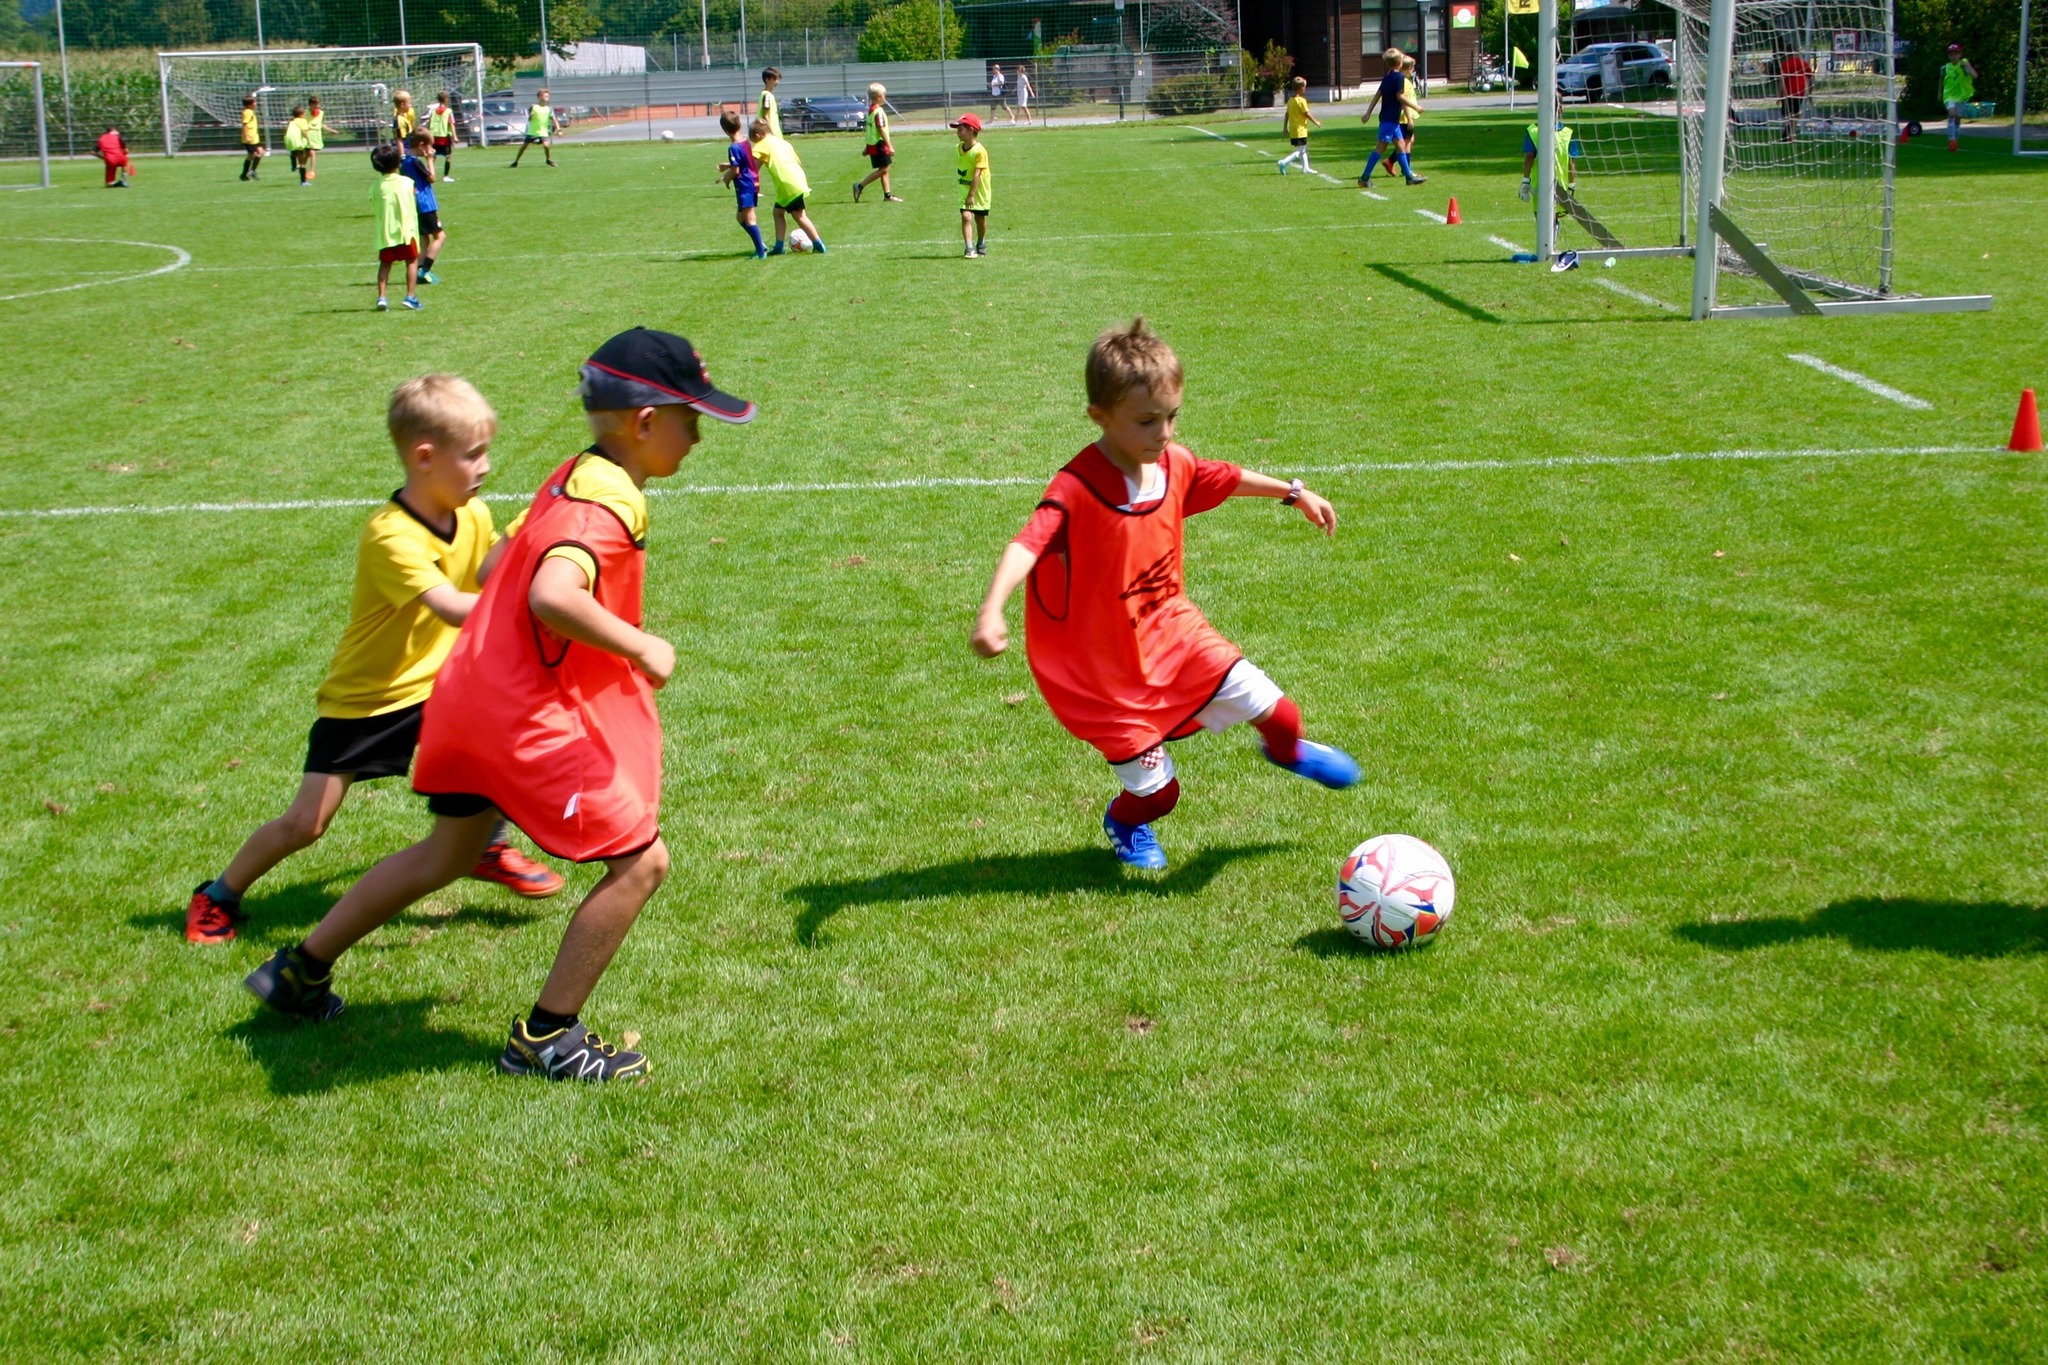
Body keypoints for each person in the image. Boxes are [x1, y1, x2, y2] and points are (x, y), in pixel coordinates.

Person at [244, 328, 758, 1085]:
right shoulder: (602, 504)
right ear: (645, 423)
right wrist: (642, 646)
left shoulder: (574, 474)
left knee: (447, 853)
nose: (700, 435)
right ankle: (547, 1038)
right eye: (692, 419)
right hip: (520, 714)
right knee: (643, 863)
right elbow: (553, 593)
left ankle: (300, 969)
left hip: (468, 693)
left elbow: (505, 564)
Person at [184, 375, 566, 945]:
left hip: (440, 685)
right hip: (369, 699)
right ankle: (217, 896)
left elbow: (487, 574)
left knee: (499, 753)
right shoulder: (390, 536)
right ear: (425, 457)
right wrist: (532, 602)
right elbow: (452, 606)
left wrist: (526, 530)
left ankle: (480, 846)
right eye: (474, 454)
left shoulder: (476, 514)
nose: (486, 466)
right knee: (306, 823)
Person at [970, 318, 1359, 872]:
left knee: (1282, 714)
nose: (1164, 433)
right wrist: (991, 612)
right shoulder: (1077, 489)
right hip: (1103, 675)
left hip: (1175, 637)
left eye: (1173, 416)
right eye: (1147, 420)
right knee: (1160, 794)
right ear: (1098, 418)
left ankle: (1288, 752)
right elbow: (1026, 545)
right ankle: (1125, 822)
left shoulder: (1171, 465)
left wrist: (1294, 492)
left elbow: (1223, 476)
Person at [750, 117, 827, 254]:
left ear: (757, 136)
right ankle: (779, 247)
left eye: (754, 141)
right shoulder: (782, 142)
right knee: (778, 213)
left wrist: (732, 168)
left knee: (799, 215)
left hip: (787, 183)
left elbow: (750, 163)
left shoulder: (763, 144)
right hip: (795, 179)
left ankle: (818, 244)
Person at [1358, 51, 1424, 187]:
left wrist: (1368, 113)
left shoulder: (1387, 77)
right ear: (1400, 63)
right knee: (1380, 149)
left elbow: (1378, 95)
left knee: (1400, 146)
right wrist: (1416, 107)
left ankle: (1409, 177)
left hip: (1391, 120)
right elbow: (1400, 97)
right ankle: (1364, 178)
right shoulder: (1398, 77)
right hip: (1390, 120)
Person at [373, 142, 423, 311]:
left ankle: (382, 297)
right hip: (406, 231)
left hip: (386, 232)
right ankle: (410, 296)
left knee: (385, 264)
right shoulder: (407, 182)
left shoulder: (376, 186)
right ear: (397, 163)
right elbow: (415, 198)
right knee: (411, 261)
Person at [717, 109, 768, 257]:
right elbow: (746, 162)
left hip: (745, 185)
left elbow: (736, 170)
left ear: (725, 130)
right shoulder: (745, 141)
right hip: (752, 181)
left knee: (749, 218)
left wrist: (726, 178)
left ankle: (760, 251)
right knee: (740, 217)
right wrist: (727, 167)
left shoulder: (734, 147)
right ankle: (761, 244)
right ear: (739, 124)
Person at [402, 132, 447, 284]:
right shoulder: (415, 162)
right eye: (429, 146)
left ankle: (419, 269)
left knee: (424, 238)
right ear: (421, 145)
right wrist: (430, 160)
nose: (431, 149)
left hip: (413, 203)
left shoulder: (404, 161)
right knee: (440, 237)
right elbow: (432, 178)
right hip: (425, 204)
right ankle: (425, 270)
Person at [853, 82, 902, 203]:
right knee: (884, 169)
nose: (885, 98)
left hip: (873, 144)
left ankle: (887, 195)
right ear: (879, 96)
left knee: (883, 168)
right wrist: (889, 145)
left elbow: (870, 130)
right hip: (880, 144)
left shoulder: (870, 111)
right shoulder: (878, 112)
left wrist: (867, 147)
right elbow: (880, 129)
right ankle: (860, 186)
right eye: (884, 95)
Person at [953, 112, 992, 258]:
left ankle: (981, 242)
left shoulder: (980, 151)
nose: (958, 133)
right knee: (966, 216)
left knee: (979, 219)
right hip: (964, 188)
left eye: (960, 129)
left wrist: (971, 195)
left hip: (979, 191)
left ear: (971, 130)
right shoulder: (958, 148)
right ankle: (969, 248)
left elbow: (977, 174)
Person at [1276, 75, 1321, 174]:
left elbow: (1287, 114)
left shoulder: (1290, 101)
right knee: (1300, 150)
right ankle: (1284, 162)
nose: (1305, 89)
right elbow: (1306, 114)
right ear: (1301, 88)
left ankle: (1305, 168)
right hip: (1300, 130)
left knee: (1303, 149)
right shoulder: (1301, 101)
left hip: (1293, 129)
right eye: (1304, 87)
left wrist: (1285, 127)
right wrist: (1316, 122)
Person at [1942, 43, 1978, 152]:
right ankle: (1951, 140)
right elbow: (1942, 80)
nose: (1953, 56)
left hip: (1961, 96)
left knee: (1957, 119)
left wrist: (1967, 66)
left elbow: (1975, 75)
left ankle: (1955, 139)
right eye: (1951, 54)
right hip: (1949, 95)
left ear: (1960, 55)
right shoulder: (1946, 67)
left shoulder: (1963, 65)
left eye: (1956, 54)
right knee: (1952, 114)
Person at [509, 89, 557, 167]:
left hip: (543, 131)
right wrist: (530, 116)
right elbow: (530, 119)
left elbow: (554, 119)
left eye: (548, 96)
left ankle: (548, 159)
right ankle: (516, 161)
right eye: (545, 96)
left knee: (546, 145)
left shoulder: (549, 108)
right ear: (539, 97)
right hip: (533, 131)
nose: (547, 98)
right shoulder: (533, 107)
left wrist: (559, 129)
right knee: (524, 146)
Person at [1775, 46, 1812, 141]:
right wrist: (1810, 93)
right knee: (1795, 113)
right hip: (1800, 91)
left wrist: (1780, 95)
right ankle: (1791, 132)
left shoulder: (1785, 64)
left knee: (1787, 114)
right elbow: (1809, 79)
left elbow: (1782, 80)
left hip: (1788, 91)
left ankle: (1789, 130)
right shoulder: (1804, 64)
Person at [427, 89, 458, 179]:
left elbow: (429, 123)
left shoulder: (432, 111)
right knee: (448, 156)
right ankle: (446, 176)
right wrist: (455, 136)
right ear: (446, 99)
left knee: (432, 157)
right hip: (443, 137)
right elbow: (452, 124)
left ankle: (429, 174)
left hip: (433, 136)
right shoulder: (448, 111)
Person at [95, 123, 133, 188]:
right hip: (121, 158)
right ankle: (123, 180)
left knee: (108, 184)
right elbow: (127, 151)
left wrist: (104, 157)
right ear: (113, 130)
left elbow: (93, 152)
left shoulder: (101, 138)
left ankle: (114, 184)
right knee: (126, 162)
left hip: (109, 160)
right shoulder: (118, 136)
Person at [238, 93, 265, 181]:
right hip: (249, 138)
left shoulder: (250, 111)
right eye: (254, 102)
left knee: (260, 152)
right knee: (252, 154)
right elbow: (245, 125)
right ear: (250, 104)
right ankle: (246, 173)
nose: (256, 104)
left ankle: (250, 171)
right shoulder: (248, 112)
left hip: (254, 138)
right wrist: (246, 136)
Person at [284, 104, 311, 184]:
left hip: (289, 141)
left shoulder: (292, 121)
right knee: (302, 163)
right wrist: (310, 141)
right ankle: (303, 182)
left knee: (294, 151)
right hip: (297, 143)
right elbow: (304, 132)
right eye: (304, 114)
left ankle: (293, 163)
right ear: (301, 114)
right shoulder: (302, 121)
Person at [304, 95, 326, 182]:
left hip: (315, 135)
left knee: (308, 154)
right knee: (311, 153)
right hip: (306, 135)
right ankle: (311, 171)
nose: (317, 106)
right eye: (315, 104)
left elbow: (321, 124)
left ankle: (303, 167)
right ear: (310, 104)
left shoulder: (320, 113)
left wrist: (331, 130)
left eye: (318, 104)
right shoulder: (305, 113)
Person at [758, 67, 783, 138]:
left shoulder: (765, 94)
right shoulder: (767, 96)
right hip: (771, 134)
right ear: (767, 79)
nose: (777, 82)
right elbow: (765, 116)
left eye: (778, 79)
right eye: (774, 79)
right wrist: (770, 132)